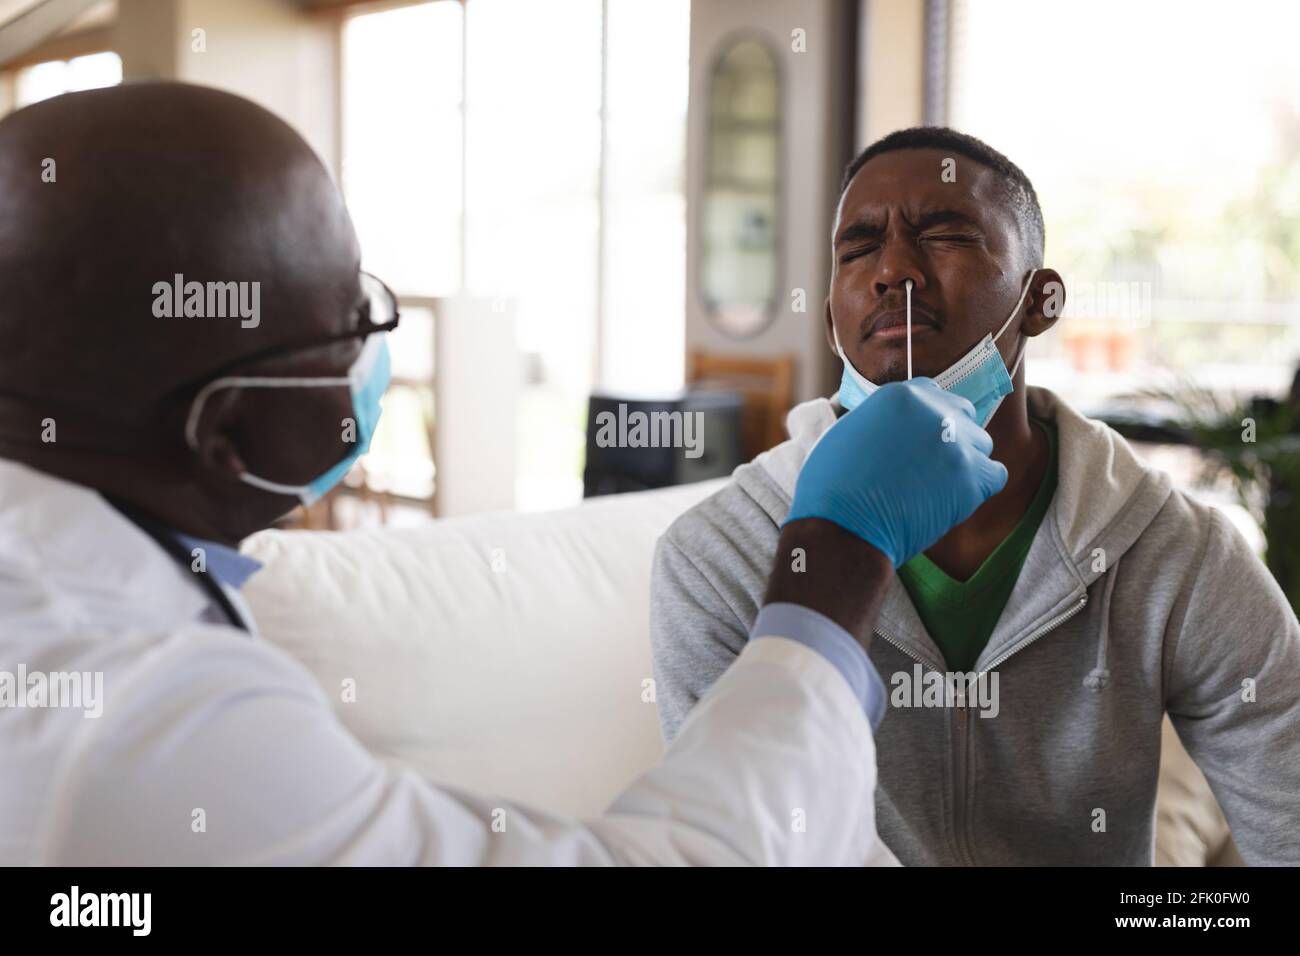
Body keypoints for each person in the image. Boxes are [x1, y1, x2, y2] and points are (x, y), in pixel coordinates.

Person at [0, 83, 1005, 866]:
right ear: (224, 433)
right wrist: (834, 559)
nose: (893, 276)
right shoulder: (140, 719)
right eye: (353, 316)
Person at [651, 126, 1300, 866]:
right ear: (831, 316)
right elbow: (737, 845)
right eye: (858, 248)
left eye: (945, 234)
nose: (893, 269)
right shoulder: (718, 557)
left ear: (1040, 300)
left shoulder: (1178, 556)